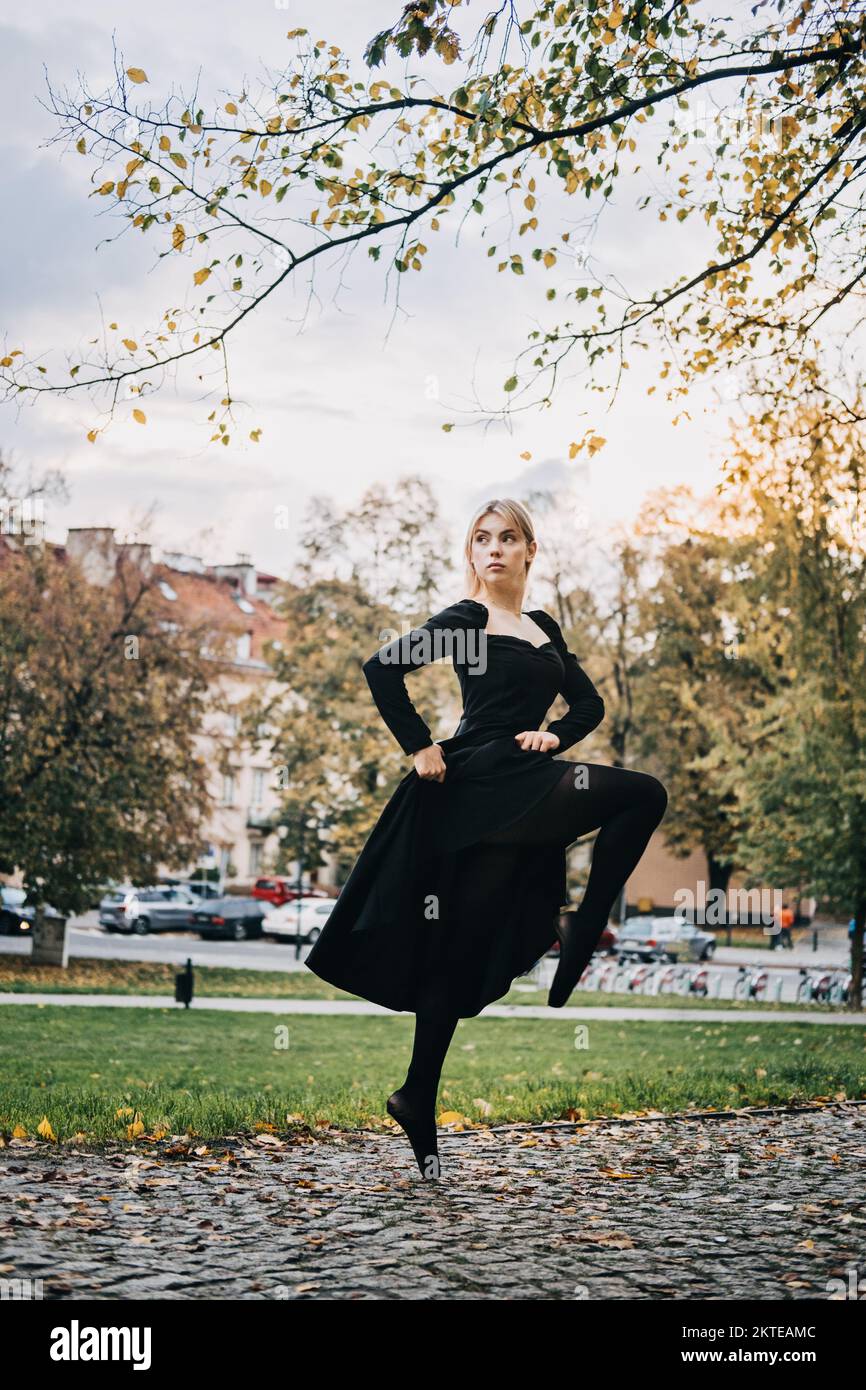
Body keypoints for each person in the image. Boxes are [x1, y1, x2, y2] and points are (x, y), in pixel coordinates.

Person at [304, 498, 668, 1178]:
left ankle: (416, 1094)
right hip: (479, 783)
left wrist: (555, 734)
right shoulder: (469, 621)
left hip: (522, 777)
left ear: (530, 550)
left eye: (507, 538)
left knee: (462, 950)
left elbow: (588, 705)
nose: (493, 549)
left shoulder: (540, 626)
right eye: (481, 539)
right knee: (642, 793)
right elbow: (382, 669)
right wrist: (418, 746)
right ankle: (582, 928)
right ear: (470, 555)